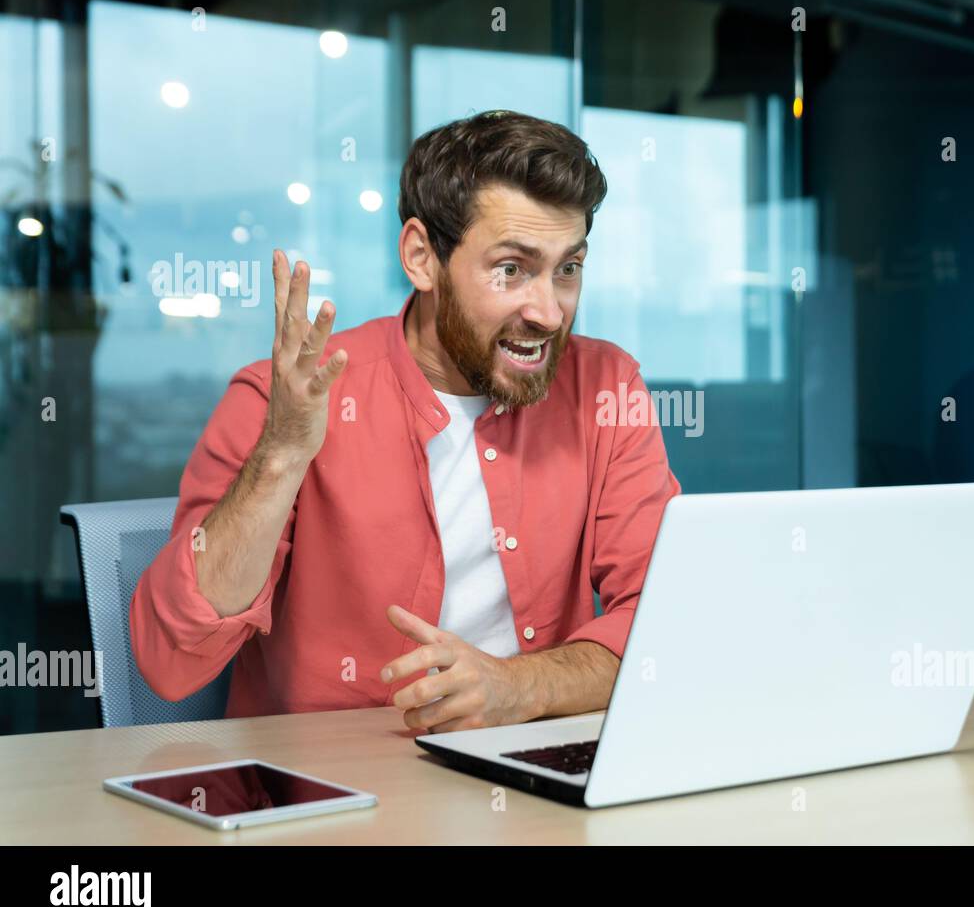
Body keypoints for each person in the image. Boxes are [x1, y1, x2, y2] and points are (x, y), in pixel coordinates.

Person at [130, 110, 681, 733]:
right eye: (511, 269)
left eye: (567, 269)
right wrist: (282, 452)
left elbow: (668, 617)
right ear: (422, 258)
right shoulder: (283, 398)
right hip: (336, 801)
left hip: (533, 787)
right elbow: (167, 662)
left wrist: (521, 686)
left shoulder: (607, 388)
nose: (550, 312)